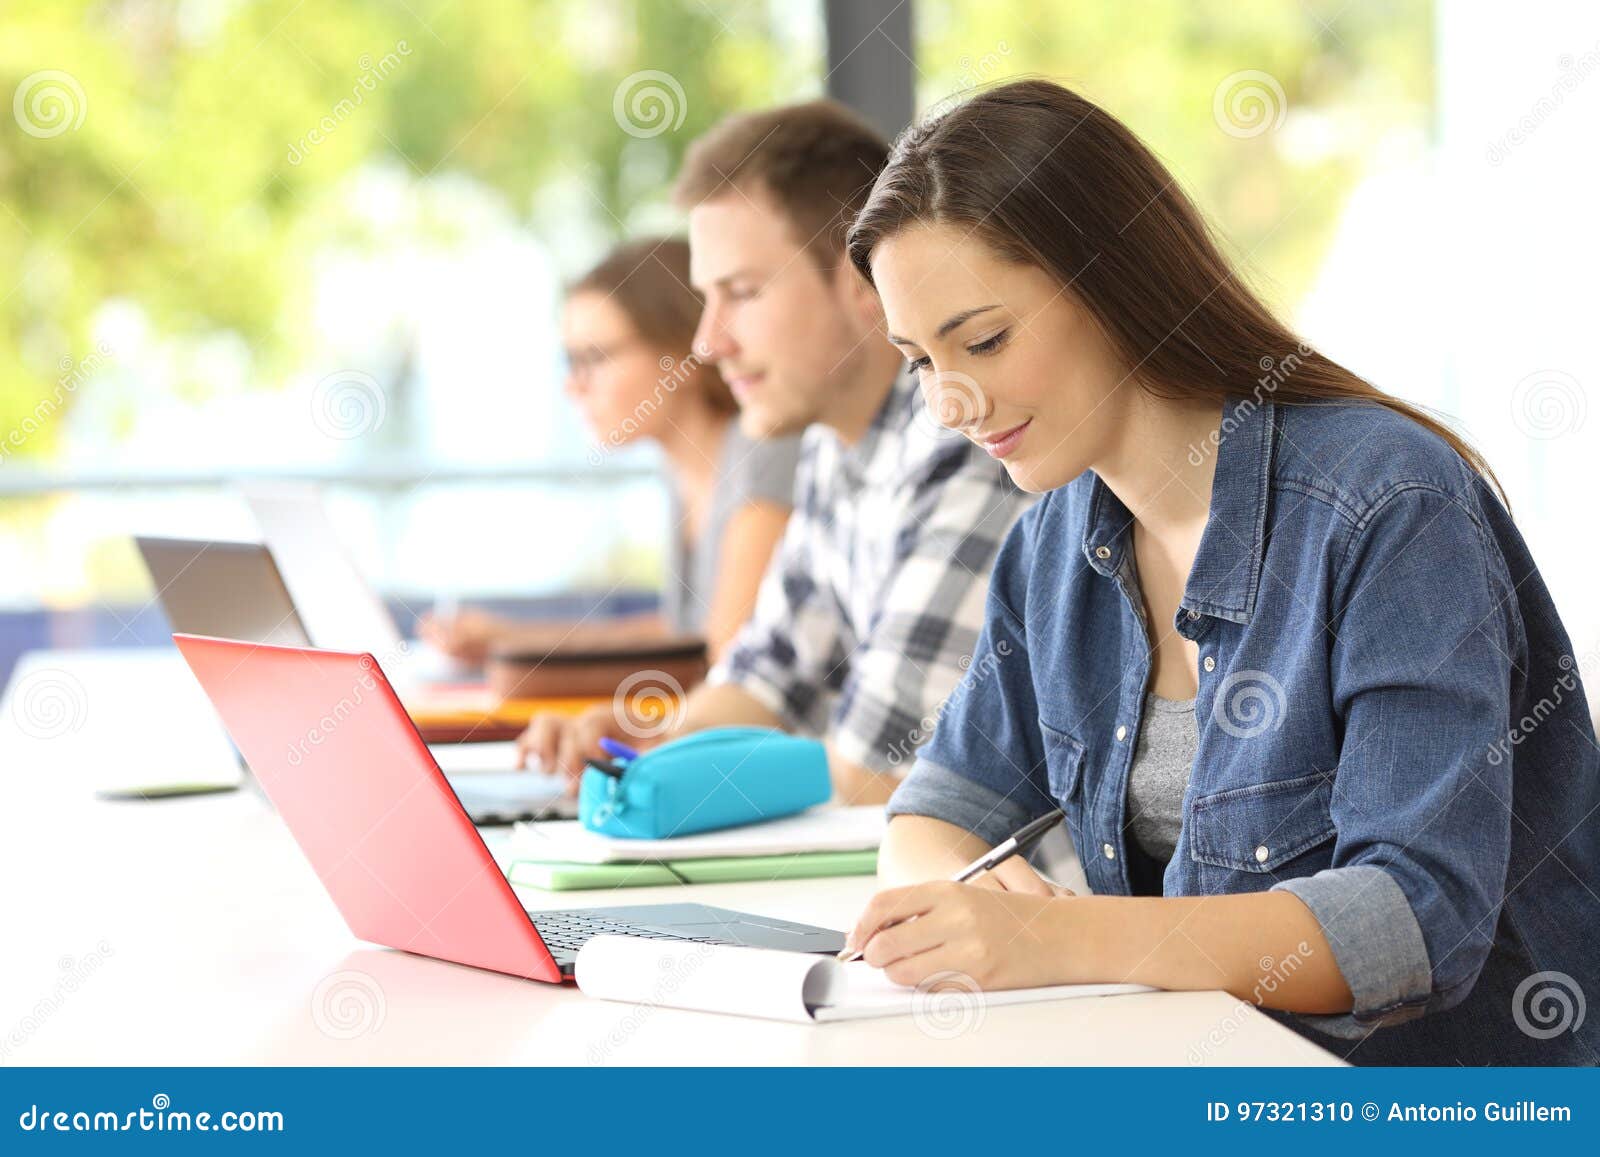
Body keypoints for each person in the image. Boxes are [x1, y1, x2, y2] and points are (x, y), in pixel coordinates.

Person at [842, 79, 1599, 1065]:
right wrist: (962, 902)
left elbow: (1411, 920)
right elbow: (936, 807)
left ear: (1112, 281)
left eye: (982, 339)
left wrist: (1058, 938)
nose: (949, 401)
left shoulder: (1389, 506)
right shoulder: (1052, 545)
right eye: (916, 359)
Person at [517, 100, 1035, 804]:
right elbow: (764, 677)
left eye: (741, 292)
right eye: (706, 298)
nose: (708, 341)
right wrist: (651, 742)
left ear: (862, 282)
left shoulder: (964, 436)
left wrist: (667, 773)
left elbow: (872, 768)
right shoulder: (832, 445)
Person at [424, 238, 799, 665]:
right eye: (571, 361)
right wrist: (513, 639)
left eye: (595, 358)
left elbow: (720, 659)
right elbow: (680, 632)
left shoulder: (762, 453)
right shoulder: (682, 472)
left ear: (681, 353)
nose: (574, 385)